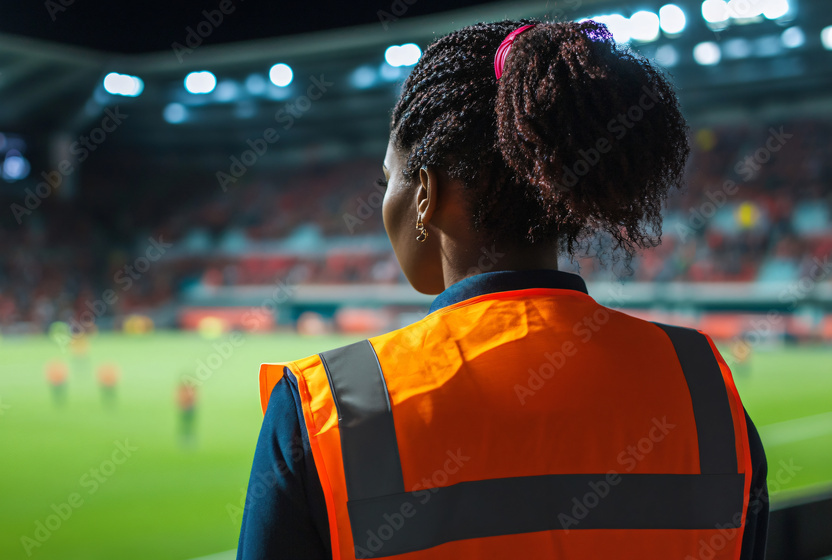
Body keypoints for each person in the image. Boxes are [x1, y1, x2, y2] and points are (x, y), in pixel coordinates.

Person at [237, 20, 768, 560]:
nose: (383, 200)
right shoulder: (706, 391)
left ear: (424, 193)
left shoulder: (325, 407)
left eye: (387, 180)